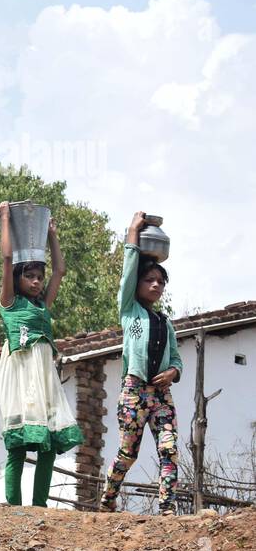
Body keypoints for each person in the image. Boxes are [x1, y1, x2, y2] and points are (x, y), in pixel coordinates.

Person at [0, 204, 83, 507]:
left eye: (39, 277)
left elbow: (60, 270)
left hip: (44, 377)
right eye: (29, 276)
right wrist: (5, 218)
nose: (36, 281)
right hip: (20, 375)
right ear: (18, 278)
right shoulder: (10, 303)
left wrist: (52, 235)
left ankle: (39, 505)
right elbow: (7, 258)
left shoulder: (42, 305)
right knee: (19, 445)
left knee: (49, 443)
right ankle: (13, 506)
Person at [101, 211, 184, 515]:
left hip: (161, 395)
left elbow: (176, 358)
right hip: (134, 392)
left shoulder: (166, 323)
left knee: (169, 450)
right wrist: (134, 232)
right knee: (127, 454)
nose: (155, 285)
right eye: (149, 280)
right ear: (137, 285)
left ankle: (166, 508)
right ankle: (108, 498)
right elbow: (127, 272)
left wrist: (174, 372)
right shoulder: (130, 311)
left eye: (160, 282)